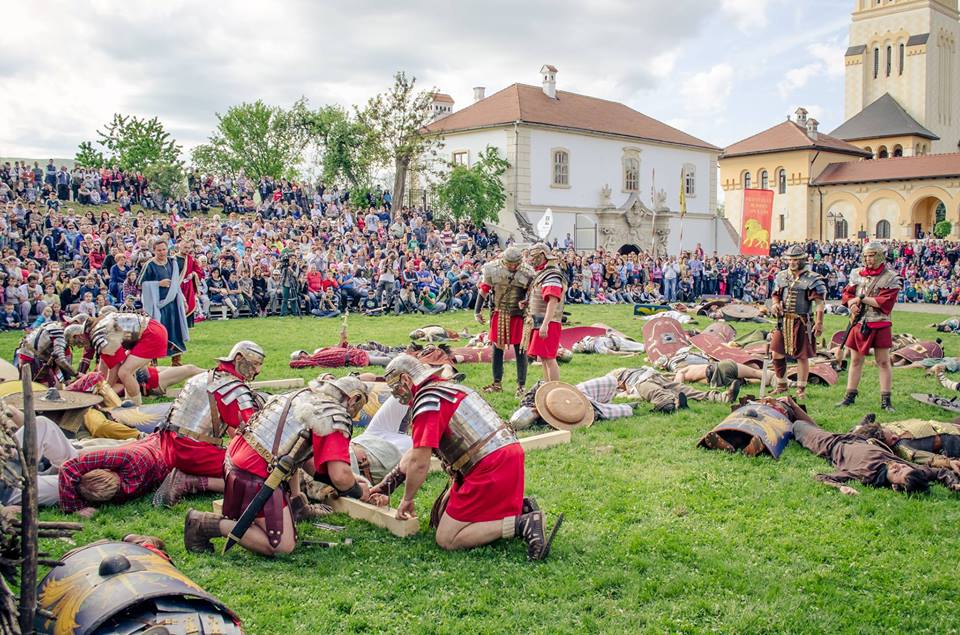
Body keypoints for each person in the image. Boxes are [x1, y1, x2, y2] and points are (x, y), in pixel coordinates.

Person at [369, 354, 562, 560]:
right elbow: (414, 453)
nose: (396, 394)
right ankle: (521, 509)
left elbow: (419, 463)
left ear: (406, 380)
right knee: (440, 516)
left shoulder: (427, 401)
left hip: (488, 465)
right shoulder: (450, 389)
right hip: (503, 456)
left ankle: (522, 524)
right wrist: (386, 486)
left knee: (447, 538)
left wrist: (407, 500)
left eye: (395, 387)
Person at [184, 376, 374, 557]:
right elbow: (340, 476)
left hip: (236, 460)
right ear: (354, 398)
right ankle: (204, 524)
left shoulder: (304, 395)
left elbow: (297, 457)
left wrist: (300, 495)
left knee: (287, 464)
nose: (356, 412)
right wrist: (358, 492)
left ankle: (287, 507)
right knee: (282, 546)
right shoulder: (333, 415)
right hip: (256, 474)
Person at [153, 341, 265, 507]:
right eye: (254, 364)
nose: (257, 371)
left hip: (168, 446)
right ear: (239, 358)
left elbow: (229, 426)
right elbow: (249, 431)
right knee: (255, 477)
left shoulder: (205, 376)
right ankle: (190, 481)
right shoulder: (232, 387)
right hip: (190, 451)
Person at [793, 418, 960, 495]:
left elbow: (821, 477)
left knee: (798, 425)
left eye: (897, 473)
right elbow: (939, 473)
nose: (897, 466)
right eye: (902, 467)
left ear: (895, 486)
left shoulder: (865, 474)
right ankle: (860, 425)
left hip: (830, 444)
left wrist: (841, 487)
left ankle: (784, 408)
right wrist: (953, 482)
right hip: (864, 439)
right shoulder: (911, 470)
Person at [836, 242, 901, 412]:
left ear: (879, 256)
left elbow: (885, 302)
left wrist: (862, 299)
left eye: (871, 255)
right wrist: (851, 304)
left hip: (880, 322)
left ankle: (886, 400)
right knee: (856, 360)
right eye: (866, 256)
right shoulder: (857, 274)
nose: (868, 259)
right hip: (859, 322)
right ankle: (849, 396)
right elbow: (847, 293)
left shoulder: (890, 277)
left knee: (883, 361)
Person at [58, 432, 171, 518]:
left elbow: (67, 467)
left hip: (157, 447)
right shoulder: (128, 461)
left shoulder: (128, 459)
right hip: (158, 448)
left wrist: (74, 508)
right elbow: (69, 467)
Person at [475, 246, 533, 396]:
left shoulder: (527, 272)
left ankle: (521, 386)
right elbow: (484, 289)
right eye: (510, 264)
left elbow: (531, 294)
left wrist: (526, 302)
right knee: (497, 350)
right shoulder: (492, 269)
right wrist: (477, 311)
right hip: (499, 314)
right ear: (504, 261)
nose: (513, 267)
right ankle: (497, 383)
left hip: (518, 315)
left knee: (521, 351)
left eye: (515, 264)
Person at [770, 245, 825, 400]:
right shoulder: (782, 276)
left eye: (795, 260)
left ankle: (801, 389)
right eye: (790, 259)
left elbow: (819, 303)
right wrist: (775, 304)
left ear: (802, 260)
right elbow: (776, 294)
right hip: (783, 320)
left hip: (802, 322)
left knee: (802, 356)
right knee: (776, 352)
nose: (792, 263)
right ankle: (781, 385)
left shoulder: (812, 279)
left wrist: (819, 322)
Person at [88, 311, 169, 405]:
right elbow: (104, 364)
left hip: (151, 333)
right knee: (126, 369)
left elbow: (114, 370)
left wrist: (104, 390)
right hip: (152, 329)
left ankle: (136, 405)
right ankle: (130, 400)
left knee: (124, 371)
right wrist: (101, 384)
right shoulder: (104, 327)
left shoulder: (101, 333)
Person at [608, 366, 741, 413]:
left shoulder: (631, 371)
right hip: (641, 383)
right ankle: (675, 404)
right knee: (659, 394)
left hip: (654, 376)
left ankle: (722, 397)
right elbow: (618, 393)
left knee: (685, 389)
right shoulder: (616, 383)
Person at [138, 239, 189, 360]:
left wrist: (183, 300)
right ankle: (153, 361)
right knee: (157, 332)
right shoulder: (149, 265)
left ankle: (176, 360)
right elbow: (140, 284)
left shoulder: (172, 263)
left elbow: (176, 284)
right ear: (154, 251)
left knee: (175, 330)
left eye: (164, 249)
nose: (162, 252)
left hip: (173, 303)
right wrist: (158, 284)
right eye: (159, 250)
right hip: (157, 305)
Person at [850, 415, 960, 471]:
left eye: (891, 434)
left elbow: (864, 427)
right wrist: (949, 463)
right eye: (892, 440)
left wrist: (861, 428)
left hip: (946, 426)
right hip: (952, 442)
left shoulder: (886, 427)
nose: (894, 436)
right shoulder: (902, 448)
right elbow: (928, 458)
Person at [526, 243, 567, 383]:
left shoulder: (552, 274)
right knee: (543, 357)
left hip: (548, 322)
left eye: (534, 256)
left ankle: (554, 389)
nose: (531, 259)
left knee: (549, 358)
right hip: (540, 321)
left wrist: (545, 324)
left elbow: (552, 301)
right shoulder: (543, 273)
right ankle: (547, 386)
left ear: (543, 255)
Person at [16, 320, 77, 386]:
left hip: (41, 357)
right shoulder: (59, 334)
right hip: (30, 355)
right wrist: (77, 374)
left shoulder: (59, 332)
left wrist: (67, 378)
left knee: (53, 383)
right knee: (42, 385)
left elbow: (61, 358)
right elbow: (60, 360)